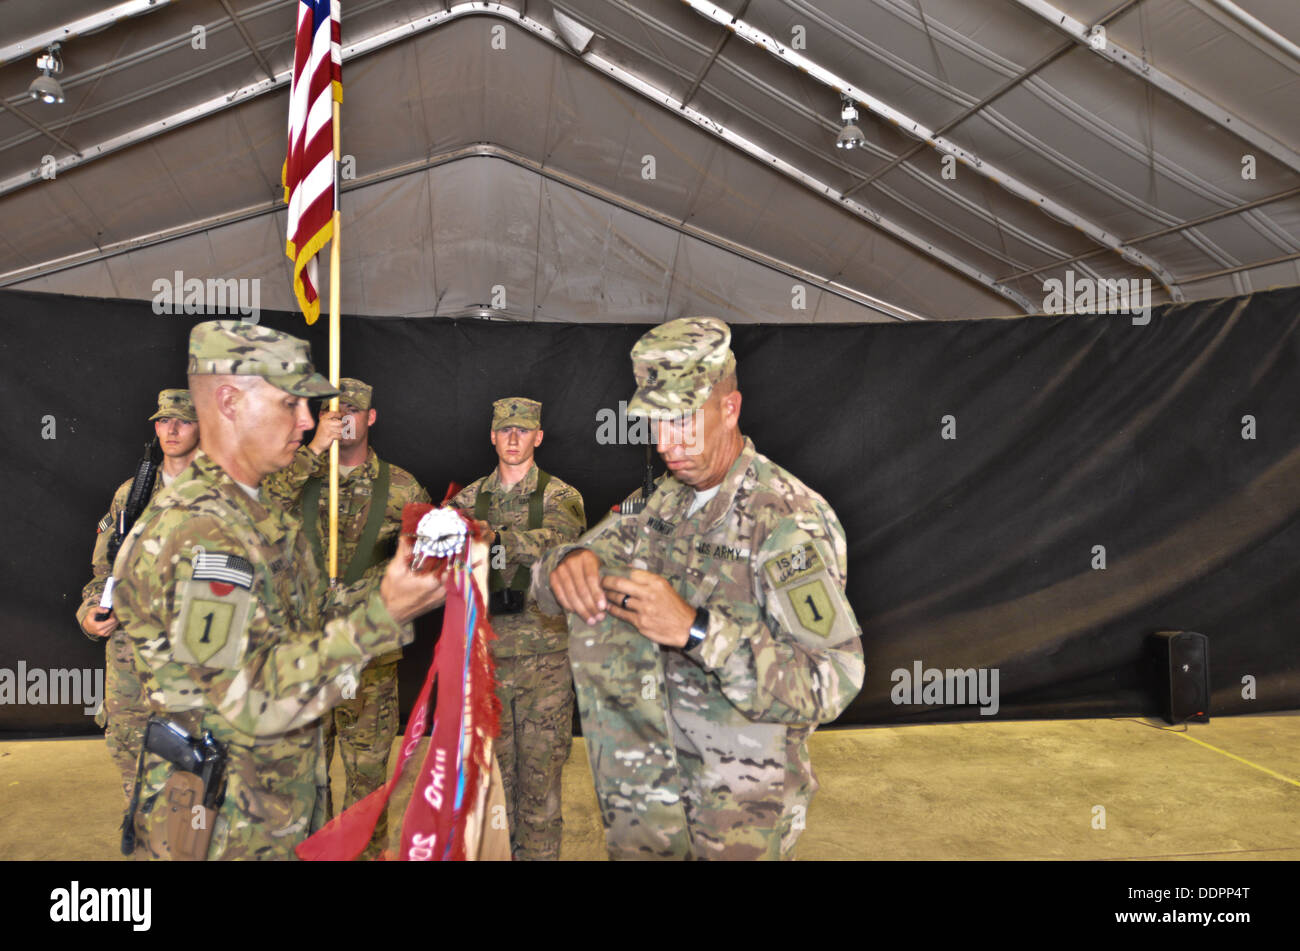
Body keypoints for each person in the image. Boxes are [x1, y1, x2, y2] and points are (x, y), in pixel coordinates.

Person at [110, 320, 446, 860]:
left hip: (271, 812)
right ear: (229, 401)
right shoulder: (203, 531)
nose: (310, 421)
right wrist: (384, 614)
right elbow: (241, 698)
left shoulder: (257, 516)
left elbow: (292, 638)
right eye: (291, 403)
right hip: (228, 827)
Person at [534, 317, 864, 860]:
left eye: (683, 421)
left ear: (729, 409)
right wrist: (568, 562)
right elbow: (573, 565)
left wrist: (697, 630)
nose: (668, 445)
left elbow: (833, 678)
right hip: (650, 802)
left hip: (738, 816)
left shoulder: (786, 520)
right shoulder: (665, 499)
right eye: (656, 424)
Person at [262, 377, 430, 858]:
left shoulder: (401, 486)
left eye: (354, 410)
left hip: (369, 660)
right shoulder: (297, 477)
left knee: (367, 781)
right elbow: (260, 507)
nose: (345, 418)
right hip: (305, 655)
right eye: (334, 410)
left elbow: (425, 559)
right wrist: (315, 448)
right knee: (305, 782)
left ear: (370, 418)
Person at [450, 398, 586, 860]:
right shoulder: (467, 500)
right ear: (492, 435)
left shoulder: (560, 496)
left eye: (523, 431)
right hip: (486, 662)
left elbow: (561, 541)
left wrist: (499, 539)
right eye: (505, 430)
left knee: (540, 787)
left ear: (538, 437)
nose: (513, 438)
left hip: (544, 663)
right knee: (493, 790)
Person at [77, 389, 200, 805]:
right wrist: (92, 610)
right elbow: (103, 572)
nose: (173, 429)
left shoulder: (223, 495)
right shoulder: (131, 494)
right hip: (129, 656)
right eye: (165, 421)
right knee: (131, 759)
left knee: (193, 776)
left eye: (183, 421)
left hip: (191, 656)